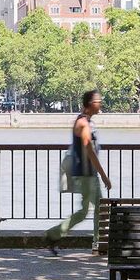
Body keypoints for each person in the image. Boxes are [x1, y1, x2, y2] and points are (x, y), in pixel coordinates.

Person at [46, 90, 112, 256]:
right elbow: (89, 150)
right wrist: (104, 175)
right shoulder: (83, 123)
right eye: (97, 101)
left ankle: (98, 244)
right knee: (86, 212)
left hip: (89, 174)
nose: (100, 103)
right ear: (89, 103)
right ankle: (54, 234)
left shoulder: (86, 121)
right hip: (86, 174)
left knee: (100, 208)